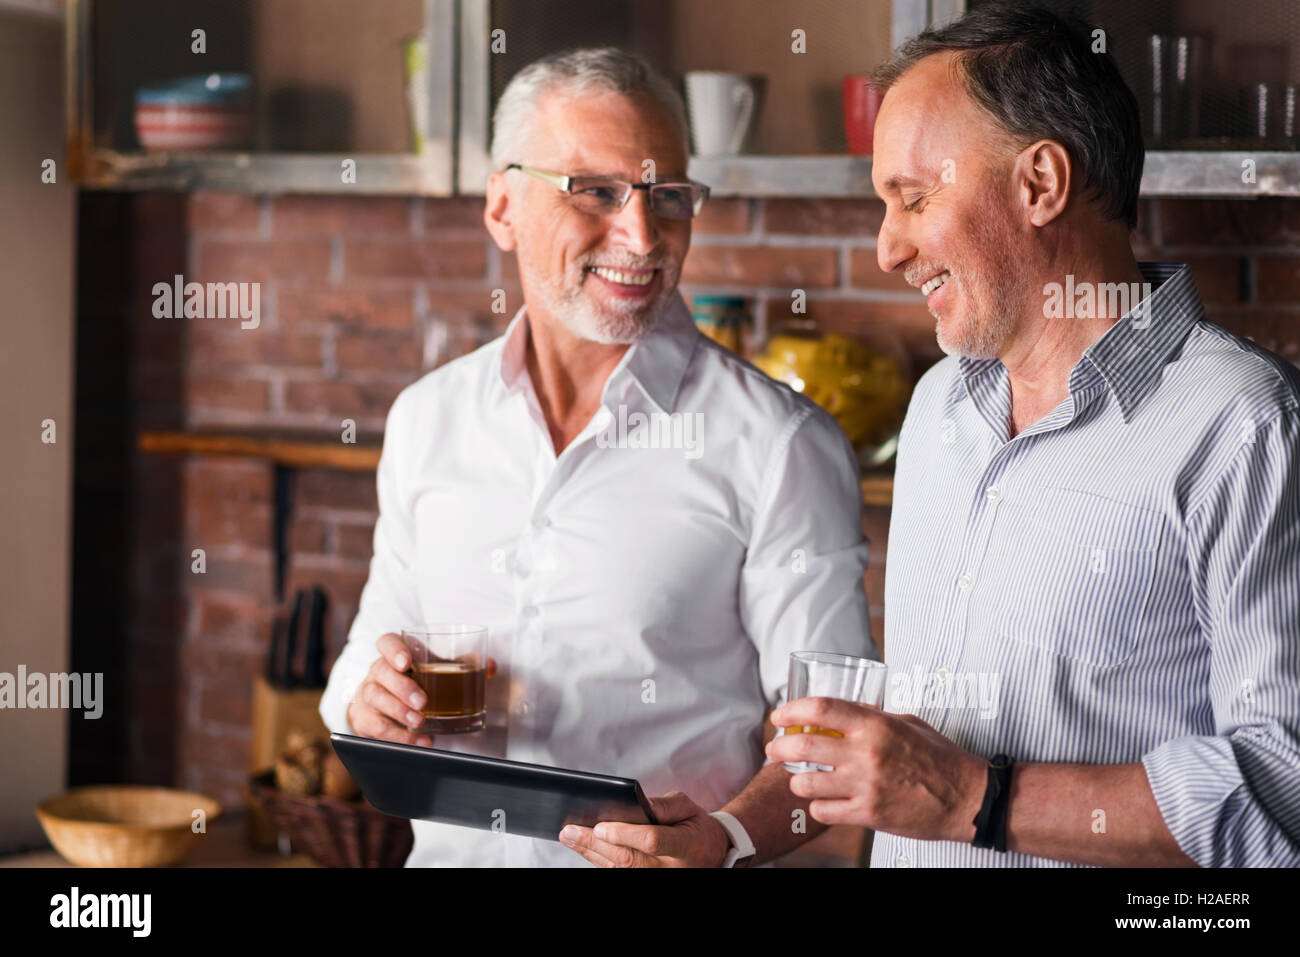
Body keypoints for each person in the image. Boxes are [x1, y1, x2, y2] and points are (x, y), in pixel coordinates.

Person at [766, 2, 1300, 867]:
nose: (886, 249)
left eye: (913, 197)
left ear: (1041, 184)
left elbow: (1285, 797)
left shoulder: (1247, 426)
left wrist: (971, 797)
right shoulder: (937, 409)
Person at [318, 48, 875, 867]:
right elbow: (359, 672)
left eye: (669, 197)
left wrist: (721, 841)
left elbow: (833, 748)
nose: (643, 236)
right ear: (504, 206)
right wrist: (373, 703)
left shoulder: (781, 445)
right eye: (598, 191)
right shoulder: (426, 420)